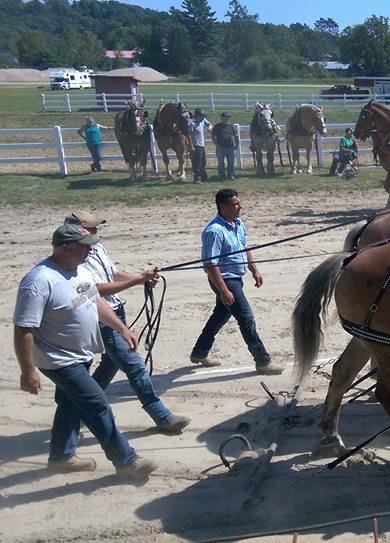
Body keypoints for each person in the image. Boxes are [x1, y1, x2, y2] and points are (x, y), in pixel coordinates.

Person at [14, 224, 157, 477]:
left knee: (70, 403)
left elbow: (94, 300)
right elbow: (24, 328)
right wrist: (28, 370)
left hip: (81, 354)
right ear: (65, 247)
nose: (91, 250)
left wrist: (122, 328)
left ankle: (61, 457)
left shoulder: (79, 271)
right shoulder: (39, 281)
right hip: (57, 359)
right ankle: (126, 462)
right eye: (85, 246)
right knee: (97, 404)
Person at [65, 211, 191, 435]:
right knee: (135, 366)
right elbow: (95, 291)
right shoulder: (75, 260)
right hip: (101, 317)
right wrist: (138, 279)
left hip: (115, 310)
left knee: (110, 364)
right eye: (91, 229)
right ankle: (162, 416)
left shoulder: (97, 248)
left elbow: (112, 274)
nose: (96, 233)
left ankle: (84, 406)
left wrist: (139, 277)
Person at [190, 189, 284, 375]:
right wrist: (223, 290)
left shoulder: (238, 224)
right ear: (222, 207)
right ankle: (263, 361)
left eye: (239, 203)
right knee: (246, 318)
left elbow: (245, 247)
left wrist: (254, 269)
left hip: (236, 277)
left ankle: (199, 352)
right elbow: (210, 264)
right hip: (224, 279)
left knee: (221, 315)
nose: (240, 207)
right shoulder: (214, 231)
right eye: (235, 204)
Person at [212, 112, 239, 180]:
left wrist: (237, 145)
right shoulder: (217, 126)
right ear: (222, 118)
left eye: (228, 118)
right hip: (220, 148)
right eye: (226, 117)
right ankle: (222, 175)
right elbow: (213, 137)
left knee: (231, 162)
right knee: (221, 163)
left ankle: (231, 175)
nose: (228, 119)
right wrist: (217, 145)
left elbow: (236, 136)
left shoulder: (231, 126)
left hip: (230, 147)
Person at [189, 108, 211, 183]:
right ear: (197, 116)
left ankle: (203, 177)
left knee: (203, 162)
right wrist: (191, 146)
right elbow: (188, 135)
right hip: (196, 145)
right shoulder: (192, 124)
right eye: (202, 116)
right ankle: (197, 178)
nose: (203, 118)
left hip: (202, 145)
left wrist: (209, 128)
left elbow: (209, 124)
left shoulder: (202, 122)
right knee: (197, 163)